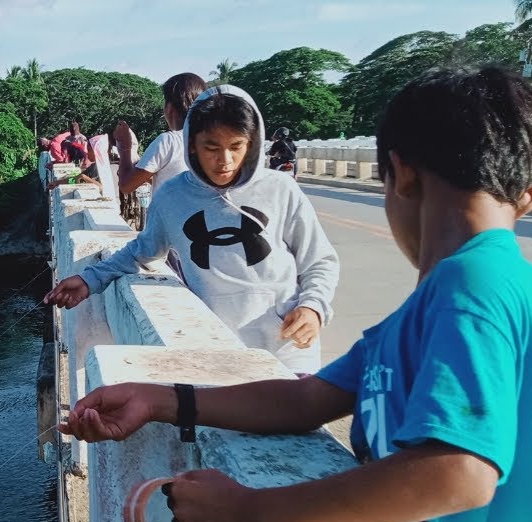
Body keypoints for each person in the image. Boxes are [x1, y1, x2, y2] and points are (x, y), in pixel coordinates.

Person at [59, 66, 532, 522]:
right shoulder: (428, 306)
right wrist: (160, 399)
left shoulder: (476, 283)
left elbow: (458, 472)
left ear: (400, 174)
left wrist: (253, 513)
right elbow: (307, 399)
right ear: (528, 196)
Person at [46, 85, 340, 375]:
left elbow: (319, 260)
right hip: (215, 352)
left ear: (252, 143)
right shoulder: (172, 196)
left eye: (236, 146)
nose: (225, 161)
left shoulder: (280, 188)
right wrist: (89, 279)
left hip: (289, 352)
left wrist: (313, 307)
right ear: (191, 145)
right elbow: (141, 252)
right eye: (211, 148)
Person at [116, 73, 209, 198]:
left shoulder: (168, 141)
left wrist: (125, 147)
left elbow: (126, 186)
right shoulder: (210, 142)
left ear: (169, 108)